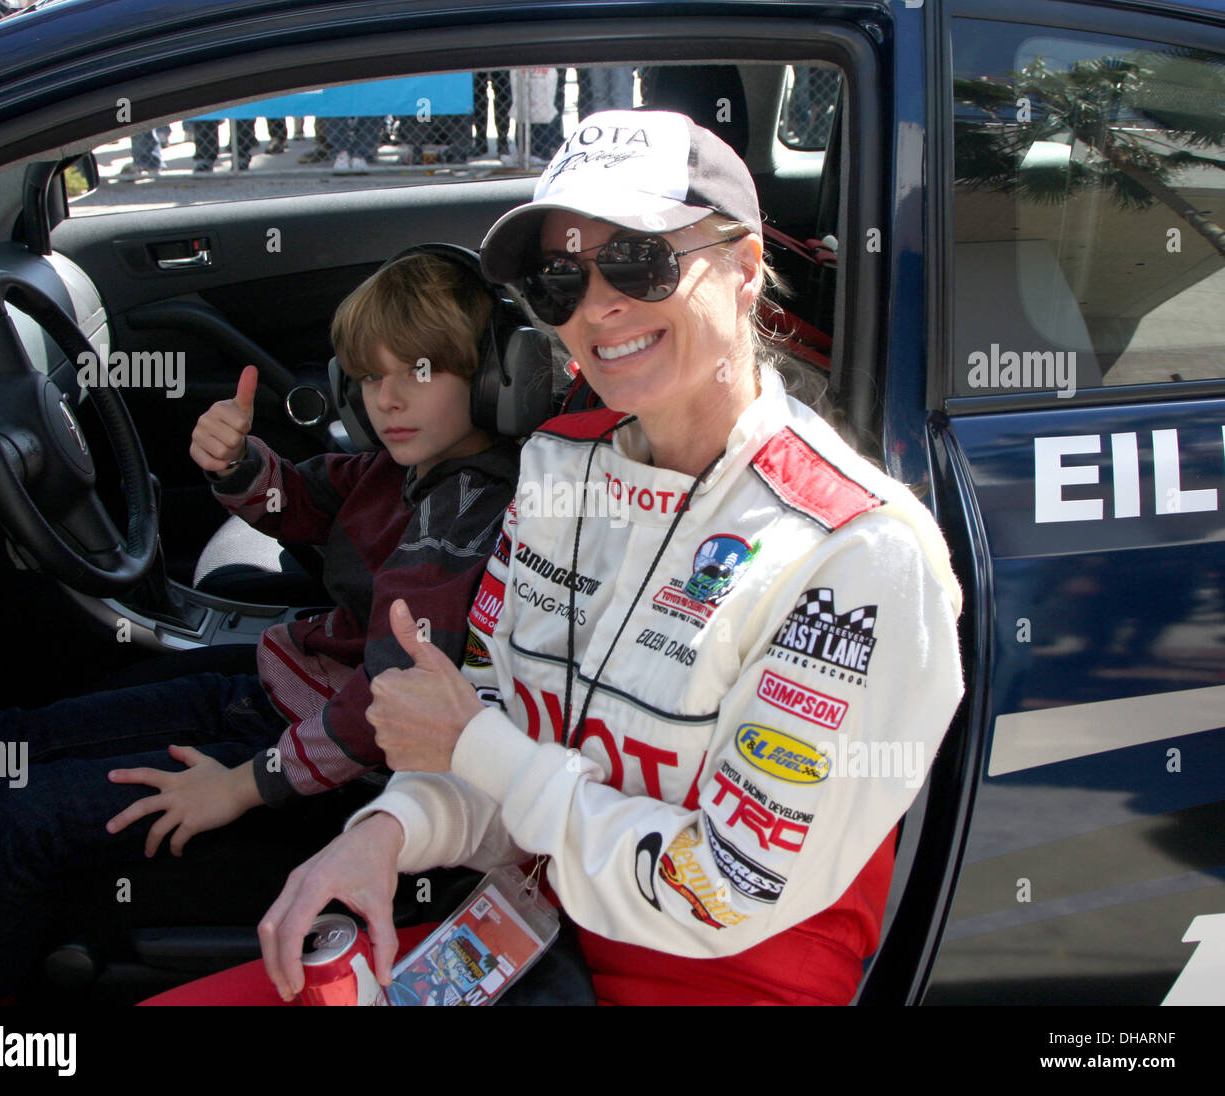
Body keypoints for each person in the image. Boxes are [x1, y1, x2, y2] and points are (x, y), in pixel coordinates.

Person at [150, 109, 964, 1007]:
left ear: (742, 268)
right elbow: (484, 725)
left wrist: (477, 751)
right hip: (521, 935)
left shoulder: (856, 556)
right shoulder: (558, 466)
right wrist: (388, 828)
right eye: (559, 279)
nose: (599, 306)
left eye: (640, 260)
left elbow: (722, 887)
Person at [0, 252, 523, 1004]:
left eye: (421, 372)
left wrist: (244, 785)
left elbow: (389, 700)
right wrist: (239, 463)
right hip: (278, 687)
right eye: (371, 377)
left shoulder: (464, 513)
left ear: (495, 378)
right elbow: (300, 504)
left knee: (25, 822)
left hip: (332, 775)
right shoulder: (397, 466)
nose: (389, 400)